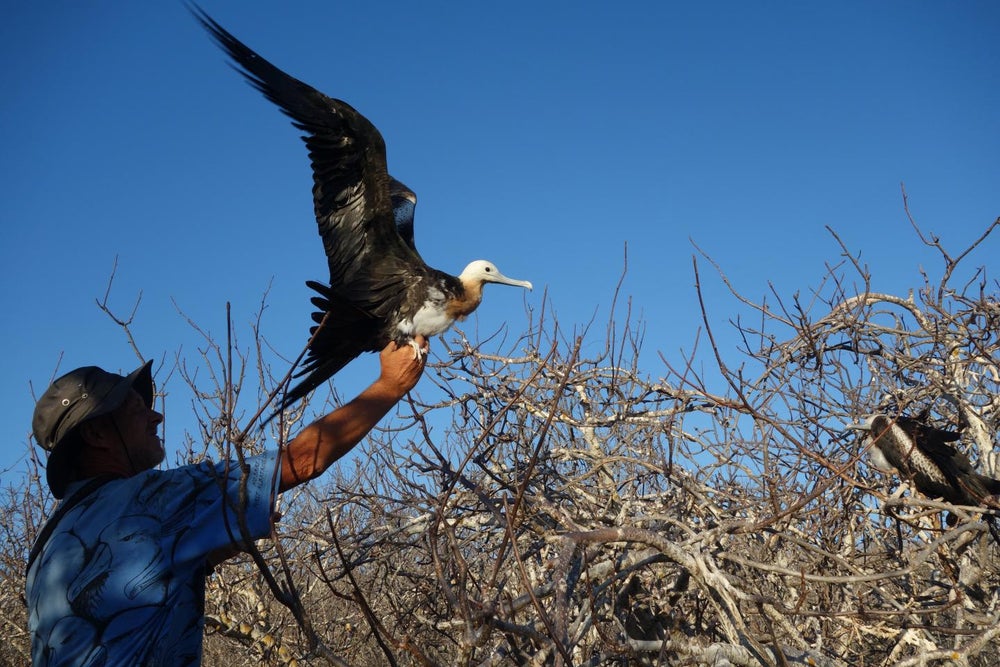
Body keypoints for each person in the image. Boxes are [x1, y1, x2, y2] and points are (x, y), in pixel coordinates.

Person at [26, 338, 426, 665]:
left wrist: (206, 555)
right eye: (136, 409)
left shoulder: (45, 551)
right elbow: (303, 459)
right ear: (96, 435)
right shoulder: (151, 499)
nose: (156, 418)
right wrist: (391, 384)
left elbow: (115, 601)